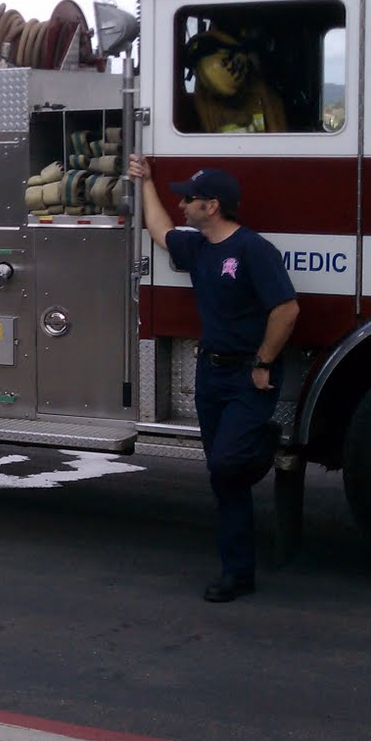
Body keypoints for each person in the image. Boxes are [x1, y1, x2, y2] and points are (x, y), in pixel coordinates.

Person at [129, 157, 299, 602]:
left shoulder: (252, 250)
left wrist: (263, 362)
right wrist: (145, 182)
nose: (182, 204)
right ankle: (237, 573)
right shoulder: (199, 247)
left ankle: (263, 445)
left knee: (227, 464)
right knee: (224, 479)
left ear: (213, 206)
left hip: (249, 375)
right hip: (211, 373)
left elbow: (286, 309)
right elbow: (159, 230)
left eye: (190, 198)